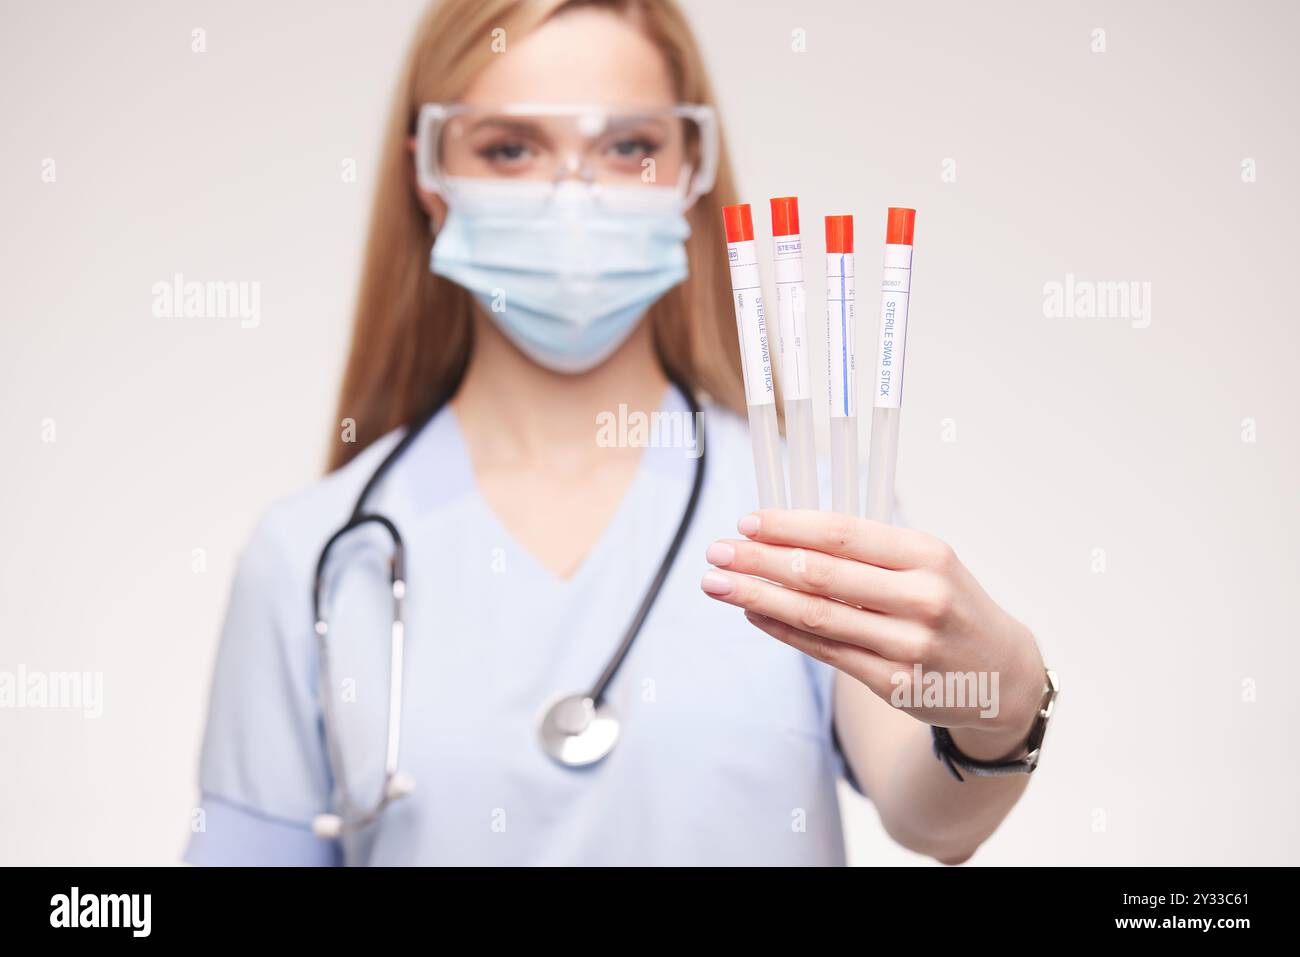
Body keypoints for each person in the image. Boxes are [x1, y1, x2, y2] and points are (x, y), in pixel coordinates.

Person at [186, 0, 1048, 867]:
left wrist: (1002, 702)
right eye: (511, 148)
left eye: (627, 147)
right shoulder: (311, 553)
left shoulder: (803, 502)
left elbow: (929, 814)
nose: (575, 195)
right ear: (429, 174)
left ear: (690, 169)